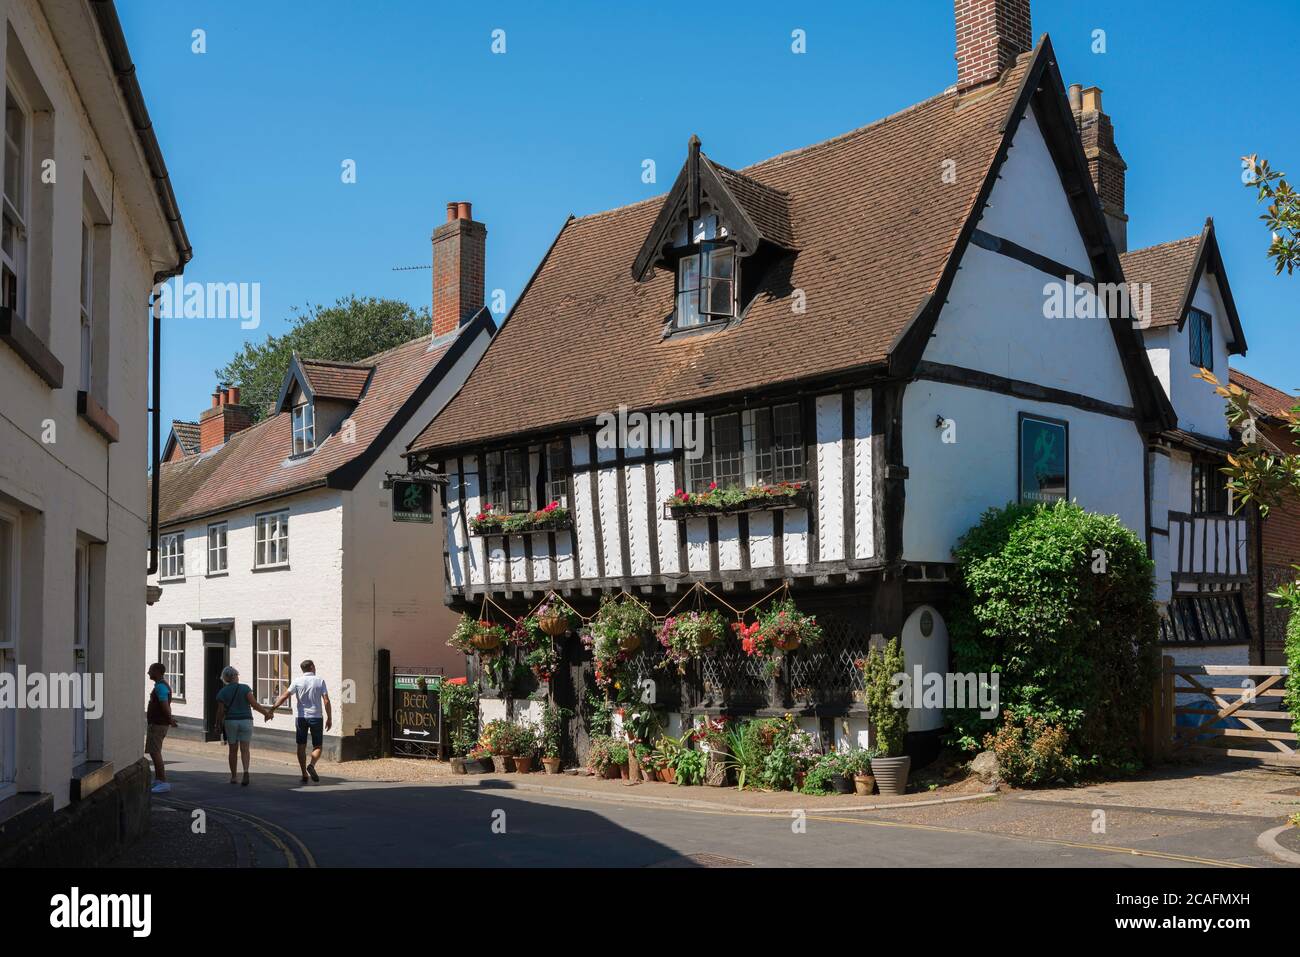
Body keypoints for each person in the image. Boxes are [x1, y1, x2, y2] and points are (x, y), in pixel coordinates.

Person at [271, 660, 332, 783]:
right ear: (312, 667)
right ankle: (312, 765)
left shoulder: (297, 681)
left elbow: (284, 696)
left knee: (301, 746)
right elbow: (326, 700)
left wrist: (272, 709)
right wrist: (329, 717)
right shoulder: (319, 681)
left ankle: (304, 773)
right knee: (318, 746)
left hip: (301, 718)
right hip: (316, 717)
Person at [212, 666, 274, 786]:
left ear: (225, 678)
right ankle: (245, 772)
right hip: (246, 721)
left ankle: (234, 776)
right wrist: (266, 713)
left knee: (232, 749)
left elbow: (220, 711)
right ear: (235, 676)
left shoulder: (222, 692)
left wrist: (217, 724)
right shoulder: (245, 688)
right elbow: (254, 704)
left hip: (231, 722)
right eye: (237, 675)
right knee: (245, 749)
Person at [145, 663, 178, 794]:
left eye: (151, 670)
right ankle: (158, 780)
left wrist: (170, 719)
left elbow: (164, 706)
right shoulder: (160, 686)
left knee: (155, 752)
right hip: (158, 723)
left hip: (158, 724)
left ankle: (163, 781)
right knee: (154, 752)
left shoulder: (160, 687)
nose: (148, 673)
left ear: (158, 672)